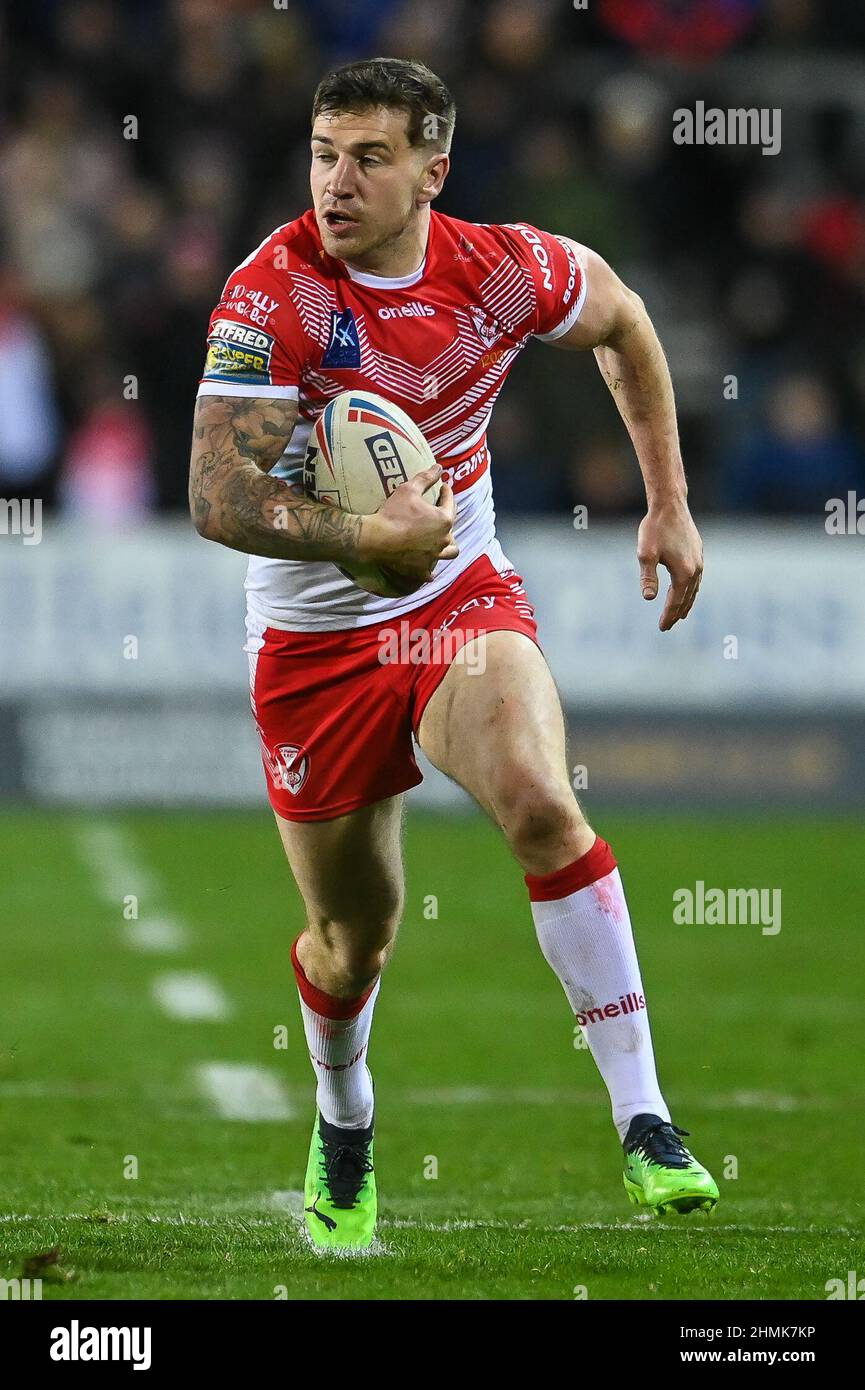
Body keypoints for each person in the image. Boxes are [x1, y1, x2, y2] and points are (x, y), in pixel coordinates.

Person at [188, 56, 716, 1250]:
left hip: (455, 600)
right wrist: (358, 537)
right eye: (325, 154)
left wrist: (667, 502)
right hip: (313, 644)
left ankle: (645, 1118)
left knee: (538, 799)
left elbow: (624, 320)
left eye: (370, 158)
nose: (337, 182)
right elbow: (217, 494)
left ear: (434, 170)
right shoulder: (274, 293)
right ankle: (345, 1116)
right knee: (351, 937)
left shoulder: (502, 269)